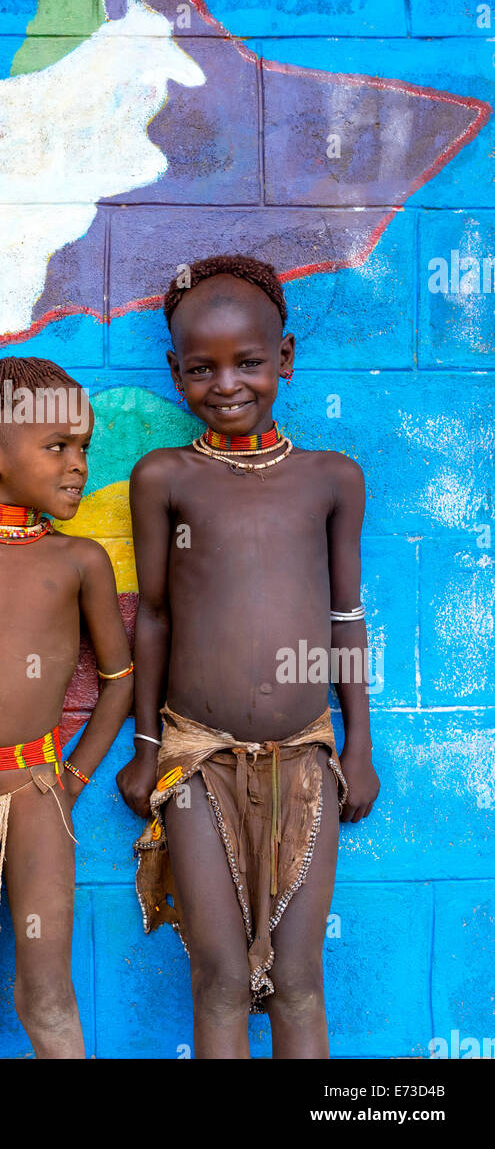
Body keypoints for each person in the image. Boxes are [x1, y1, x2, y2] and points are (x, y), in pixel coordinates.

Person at [117, 254, 380, 1059]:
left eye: (249, 363)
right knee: (222, 977)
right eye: (201, 368)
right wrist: (147, 749)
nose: (226, 383)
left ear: (286, 360)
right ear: (174, 373)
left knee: (297, 980)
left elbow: (344, 619)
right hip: (196, 757)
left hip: (306, 754)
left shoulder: (329, 478)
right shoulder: (165, 477)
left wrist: (358, 749)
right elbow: (154, 617)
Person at [0, 356, 133, 1058]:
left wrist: (70, 780)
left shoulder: (79, 562)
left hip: (36, 792)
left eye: (84, 448)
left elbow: (119, 679)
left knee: (47, 995)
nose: (78, 465)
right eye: (58, 447)